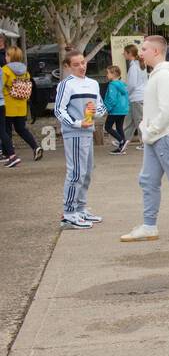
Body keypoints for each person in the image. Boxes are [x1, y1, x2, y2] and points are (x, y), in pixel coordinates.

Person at [120, 35, 169, 242]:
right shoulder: (160, 74)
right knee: (148, 180)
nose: (141, 53)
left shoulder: (163, 75)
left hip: (165, 136)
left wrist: (149, 130)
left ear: (156, 51)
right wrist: (147, 130)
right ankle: (149, 226)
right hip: (157, 137)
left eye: (145, 49)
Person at [53, 50, 105, 229]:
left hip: (87, 132)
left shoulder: (92, 83)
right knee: (76, 173)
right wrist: (77, 123)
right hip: (74, 133)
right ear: (67, 67)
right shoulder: (66, 85)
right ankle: (68, 213)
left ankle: (80, 209)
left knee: (87, 172)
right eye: (76, 64)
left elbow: (101, 108)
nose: (82, 67)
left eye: (83, 62)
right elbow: (59, 110)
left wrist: (94, 112)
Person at [2, 46, 42, 166]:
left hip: (8, 104)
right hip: (21, 105)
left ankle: (9, 154)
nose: (5, 57)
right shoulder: (25, 71)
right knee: (21, 129)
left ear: (10, 57)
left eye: (7, 55)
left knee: (6, 130)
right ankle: (35, 147)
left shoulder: (5, 70)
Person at [103, 65, 130, 154]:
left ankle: (122, 140)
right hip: (123, 110)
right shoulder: (123, 84)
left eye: (108, 73)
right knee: (119, 127)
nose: (106, 75)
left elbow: (112, 99)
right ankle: (122, 148)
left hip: (114, 110)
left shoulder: (112, 85)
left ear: (114, 74)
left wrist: (107, 108)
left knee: (108, 127)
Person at [123, 44, 146, 147]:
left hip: (136, 97)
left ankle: (144, 143)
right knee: (131, 120)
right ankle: (124, 140)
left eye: (125, 52)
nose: (123, 54)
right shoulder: (140, 64)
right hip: (140, 96)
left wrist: (126, 93)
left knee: (139, 121)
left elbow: (132, 84)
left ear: (129, 53)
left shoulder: (133, 67)